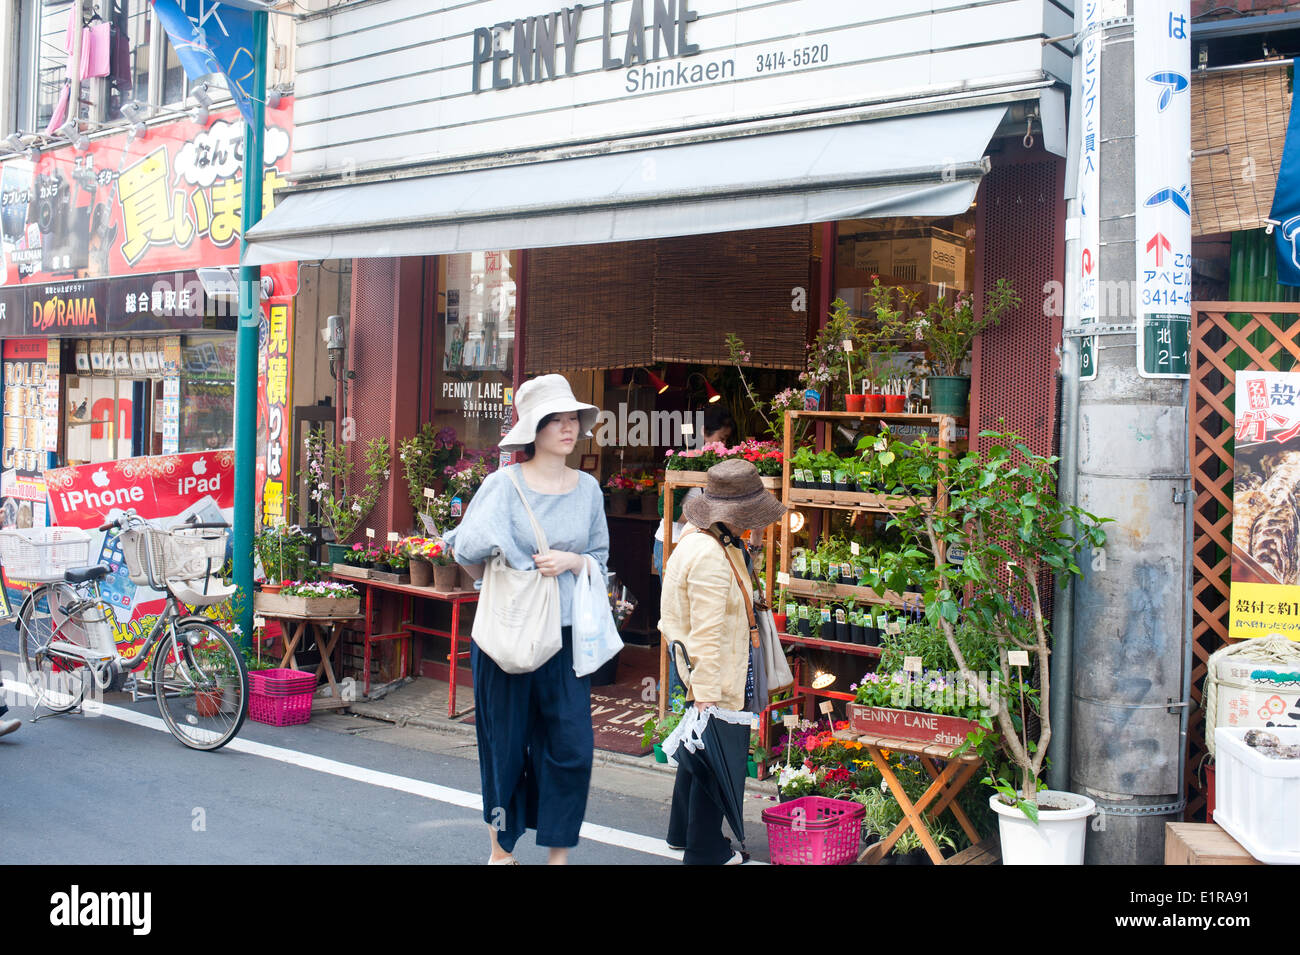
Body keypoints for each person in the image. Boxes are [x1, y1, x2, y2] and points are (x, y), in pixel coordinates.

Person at [446, 374, 608, 865]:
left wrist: (571, 562)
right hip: (507, 636)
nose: (567, 427)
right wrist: (506, 570)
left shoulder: (589, 490)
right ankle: (500, 850)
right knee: (505, 748)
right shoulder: (503, 484)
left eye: (572, 418)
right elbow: (463, 548)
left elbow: (599, 558)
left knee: (572, 747)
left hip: (566, 639)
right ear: (533, 430)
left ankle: (558, 855)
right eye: (554, 419)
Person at [658, 457, 787, 865]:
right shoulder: (712, 556)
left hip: (699, 665)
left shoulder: (701, 541)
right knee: (716, 757)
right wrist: (708, 695)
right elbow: (708, 635)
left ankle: (682, 833)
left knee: (699, 749)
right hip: (715, 669)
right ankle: (704, 850)